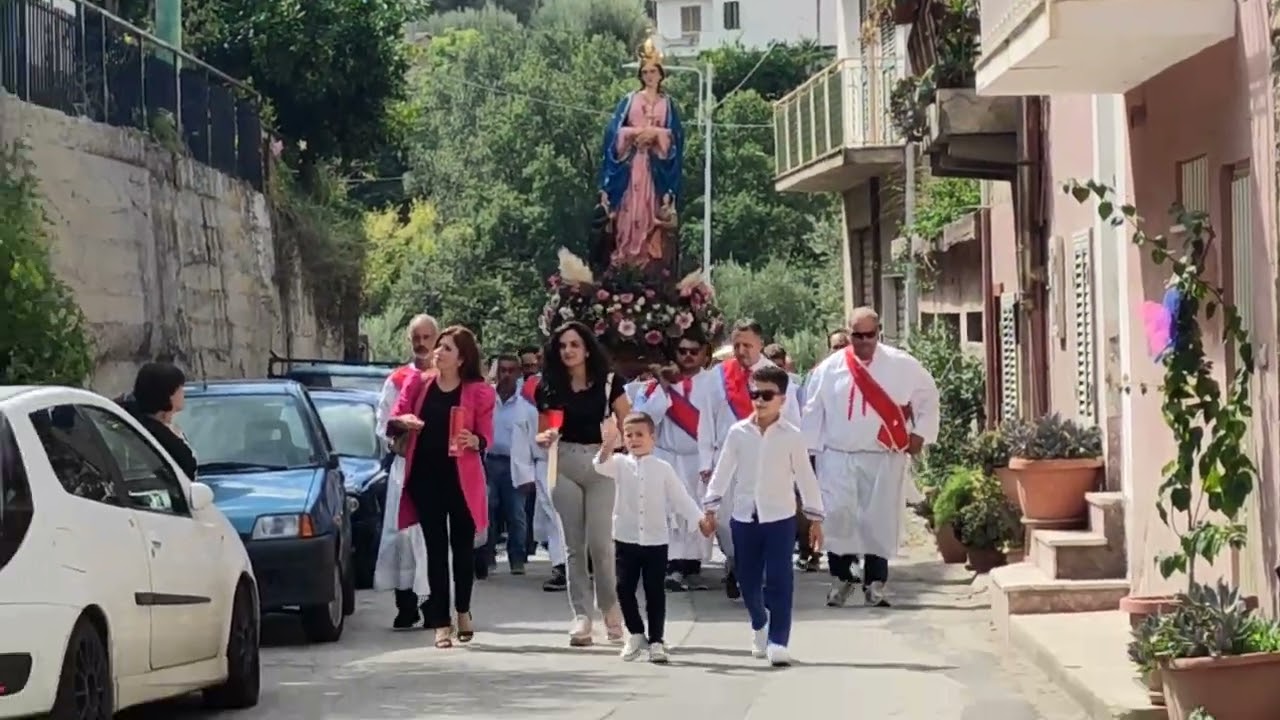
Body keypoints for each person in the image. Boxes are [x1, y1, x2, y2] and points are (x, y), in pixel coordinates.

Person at [802, 307, 939, 608]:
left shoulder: (901, 365)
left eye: (869, 335)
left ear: (879, 333)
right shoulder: (829, 369)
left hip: (883, 457)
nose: (863, 341)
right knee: (838, 517)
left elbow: (928, 396)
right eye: (856, 335)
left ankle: (875, 583)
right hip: (838, 456)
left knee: (879, 521)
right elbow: (813, 411)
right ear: (848, 333)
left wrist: (921, 434)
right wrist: (809, 455)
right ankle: (841, 578)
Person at [703, 365, 824, 667]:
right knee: (747, 579)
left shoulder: (792, 436)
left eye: (767, 395)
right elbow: (723, 471)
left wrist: (815, 518)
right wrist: (710, 506)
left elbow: (806, 478)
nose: (759, 400)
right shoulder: (737, 432)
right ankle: (760, 623)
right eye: (754, 393)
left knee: (780, 578)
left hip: (780, 517)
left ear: (782, 399)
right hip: (744, 516)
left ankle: (778, 640)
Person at [387, 325, 496, 649]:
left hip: (461, 478)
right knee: (435, 550)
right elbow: (395, 417)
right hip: (425, 476)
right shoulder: (418, 383)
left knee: (462, 549)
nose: (438, 352)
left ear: (462, 358)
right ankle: (440, 621)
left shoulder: (479, 392)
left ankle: (462, 610)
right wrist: (405, 422)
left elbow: (486, 435)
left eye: (446, 348)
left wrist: (474, 439)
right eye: (439, 347)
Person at [534, 320, 631, 646]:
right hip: (563, 462)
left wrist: (616, 438)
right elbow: (541, 431)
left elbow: (628, 423)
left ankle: (611, 609)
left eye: (574, 345)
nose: (568, 351)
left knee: (601, 543)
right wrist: (545, 436)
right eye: (562, 346)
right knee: (574, 545)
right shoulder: (548, 385)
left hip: (601, 462)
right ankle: (581, 616)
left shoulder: (609, 383)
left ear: (587, 348)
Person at [693, 319, 800, 600]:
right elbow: (706, 421)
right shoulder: (717, 376)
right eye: (737, 344)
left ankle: (754, 572)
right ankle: (736, 561)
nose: (742, 351)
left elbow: (792, 421)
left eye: (747, 345)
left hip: (767, 460)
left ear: (760, 344)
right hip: (725, 459)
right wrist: (705, 462)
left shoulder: (775, 376)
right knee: (728, 521)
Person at [594, 413, 708, 664]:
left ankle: (657, 640)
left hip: (656, 540)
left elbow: (681, 498)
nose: (634, 440)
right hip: (626, 537)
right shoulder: (620, 463)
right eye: (629, 435)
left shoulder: (663, 468)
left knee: (655, 591)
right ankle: (635, 632)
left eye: (640, 435)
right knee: (623, 588)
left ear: (652, 438)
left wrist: (699, 519)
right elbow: (599, 465)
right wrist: (607, 444)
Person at [633, 335, 712, 591]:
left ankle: (694, 565)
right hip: (668, 456)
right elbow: (645, 417)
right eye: (682, 350)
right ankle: (673, 565)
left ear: (704, 354)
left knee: (698, 507)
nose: (688, 355)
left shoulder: (713, 383)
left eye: (694, 350)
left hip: (698, 456)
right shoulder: (656, 386)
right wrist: (664, 387)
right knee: (670, 509)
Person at [599, 35, 684, 272]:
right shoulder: (629, 101)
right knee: (628, 214)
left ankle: (647, 262)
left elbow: (675, 138)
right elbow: (613, 134)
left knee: (651, 212)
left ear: (660, 74)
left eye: (653, 72)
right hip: (631, 165)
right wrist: (635, 134)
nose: (649, 76)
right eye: (645, 72)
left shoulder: (668, 105)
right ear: (641, 75)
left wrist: (657, 134)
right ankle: (625, 258)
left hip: (655, 169)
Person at [374, 314, 437, 629]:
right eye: (417, 337)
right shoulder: (397, 379)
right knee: (402, 538)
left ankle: (434, 605)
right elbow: (382, 424)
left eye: (427, 337)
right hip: (405, 468)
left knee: (433, 538)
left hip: (439, 468)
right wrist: (401, 427)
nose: (422, 343)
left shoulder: (448, 377)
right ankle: (406, 606)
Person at [484, 353, 529, 575]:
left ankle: (517, 559)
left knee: (516, 513)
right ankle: (488, 556)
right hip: (490, 462)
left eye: (512, 371)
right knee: (488, 510)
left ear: (519, 373)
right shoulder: (487, 398)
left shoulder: (525, 403)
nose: (507, 375)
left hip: (515, 463)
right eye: (503, 370)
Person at [123, 362, 197, 478]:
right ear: (168, 394)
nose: (183, 393)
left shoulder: (171, 426)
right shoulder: (148, 432)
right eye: (179, 389)